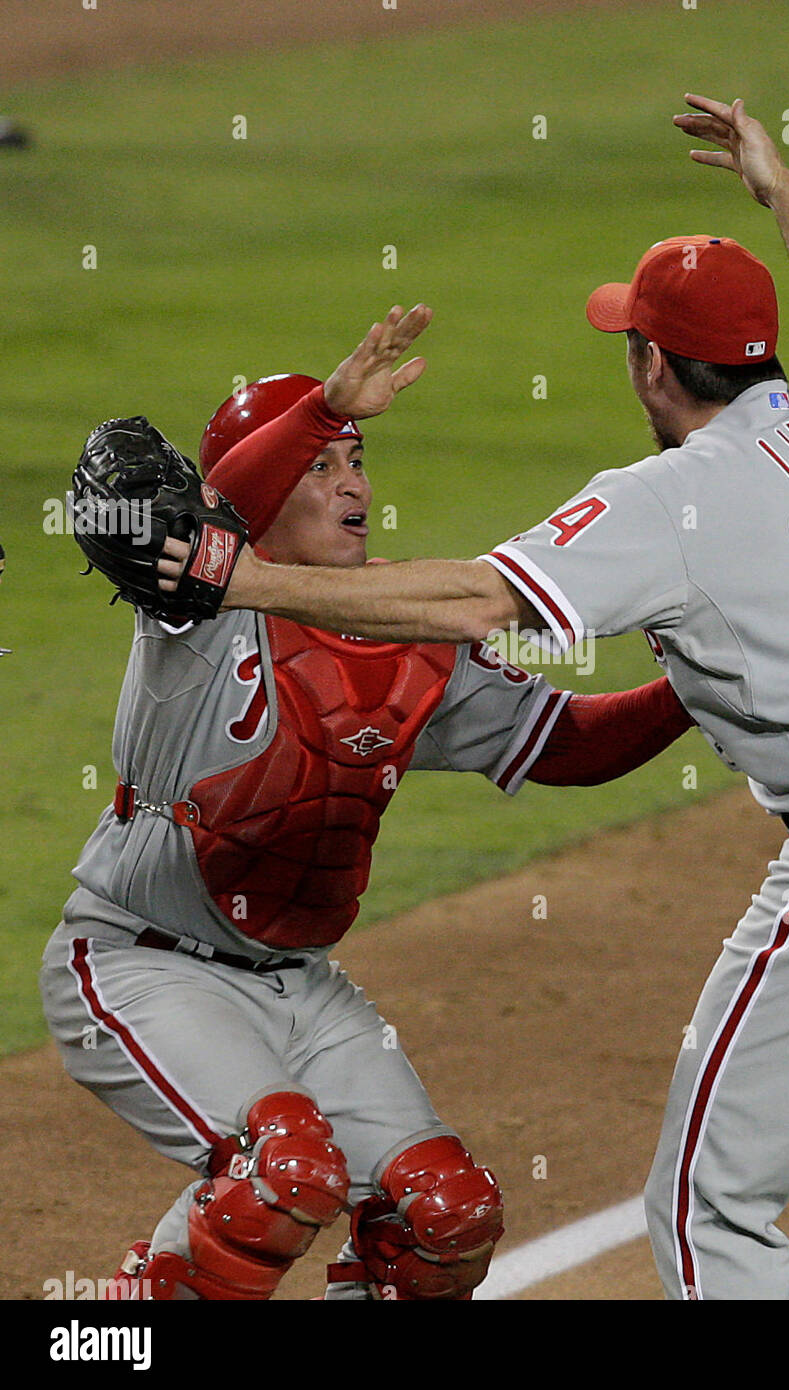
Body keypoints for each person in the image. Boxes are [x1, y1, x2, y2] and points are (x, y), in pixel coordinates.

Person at [195, 97, 789, 1301]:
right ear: (757, 353)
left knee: (712, 1202)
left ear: (651, 362)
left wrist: (241, 576)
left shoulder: (671, 494)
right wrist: (780, 186)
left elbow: (472, 601)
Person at [39, 306, 694, 1302]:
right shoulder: (195, 615)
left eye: (355, 458)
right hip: (139, 965)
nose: (351, 479)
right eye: (318, 464)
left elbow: (568, 743)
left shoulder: (407, 629)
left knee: (447, 1215)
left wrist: (697, 686)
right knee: (282, 1173)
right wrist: (322, 407)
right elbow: (213, 518)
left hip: (297, 981)